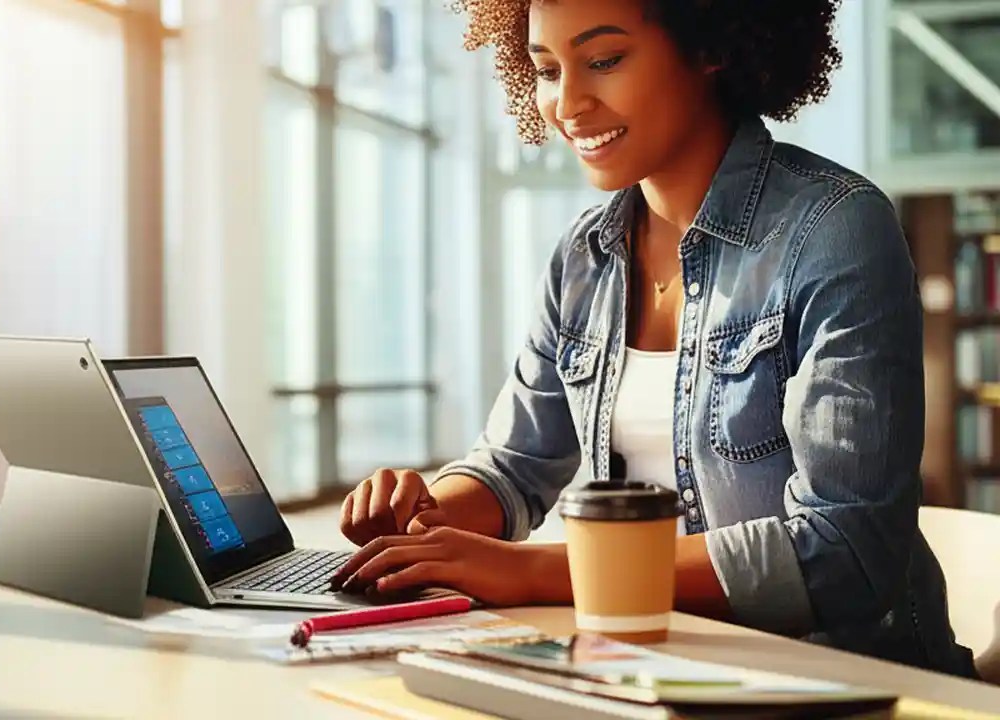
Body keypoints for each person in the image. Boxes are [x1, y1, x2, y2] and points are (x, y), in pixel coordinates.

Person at [328, 0, 978, 677]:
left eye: (604, 60)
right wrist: (425, 518)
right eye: (547, 70)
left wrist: (539, 573)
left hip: (846, 682)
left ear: (709, 44)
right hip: (654, 671)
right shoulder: (584, 257)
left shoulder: (835, 230)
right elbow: (514, 466)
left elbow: (844, 548)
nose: (569, 103)